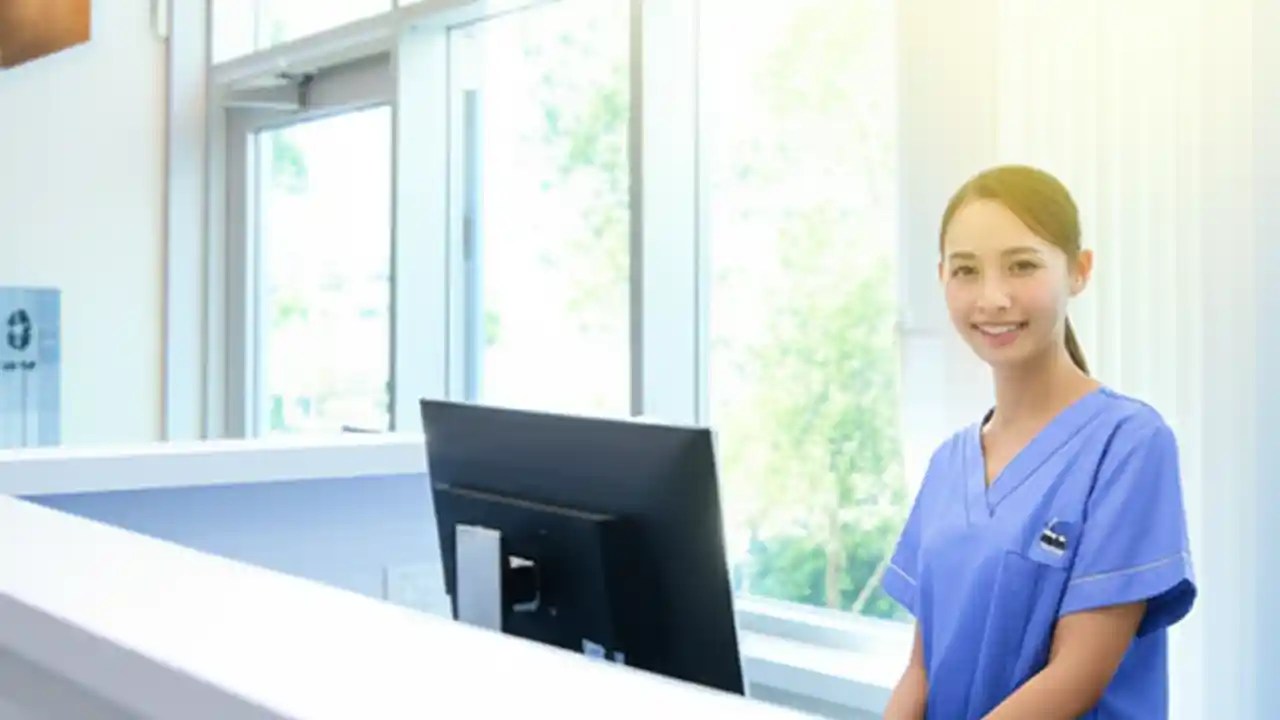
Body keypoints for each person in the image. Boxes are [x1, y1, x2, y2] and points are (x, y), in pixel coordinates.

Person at [880, 165, 1197, 719]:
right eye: (966, 270)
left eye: (1022, 265)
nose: (993, 297)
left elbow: (1076, 677)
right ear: (942, 277)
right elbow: (920, 672)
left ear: (1079, 271)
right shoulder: (949, 463)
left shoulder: (1129, 445)